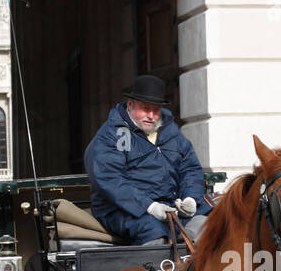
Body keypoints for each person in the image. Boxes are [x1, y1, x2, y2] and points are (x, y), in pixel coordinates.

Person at [85, 74, 212, 244]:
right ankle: (167, 264)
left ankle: (185, 257)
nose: (151, 115)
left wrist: (190, 199)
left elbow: (189, 168)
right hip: (123, 209)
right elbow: (110, 180)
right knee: (153, 232)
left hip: (170, 205)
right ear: (130, 105)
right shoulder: (111, 135)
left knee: (212, 222)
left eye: (156, 110)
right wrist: (149, 206)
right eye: (145, 109)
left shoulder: (171, 131)